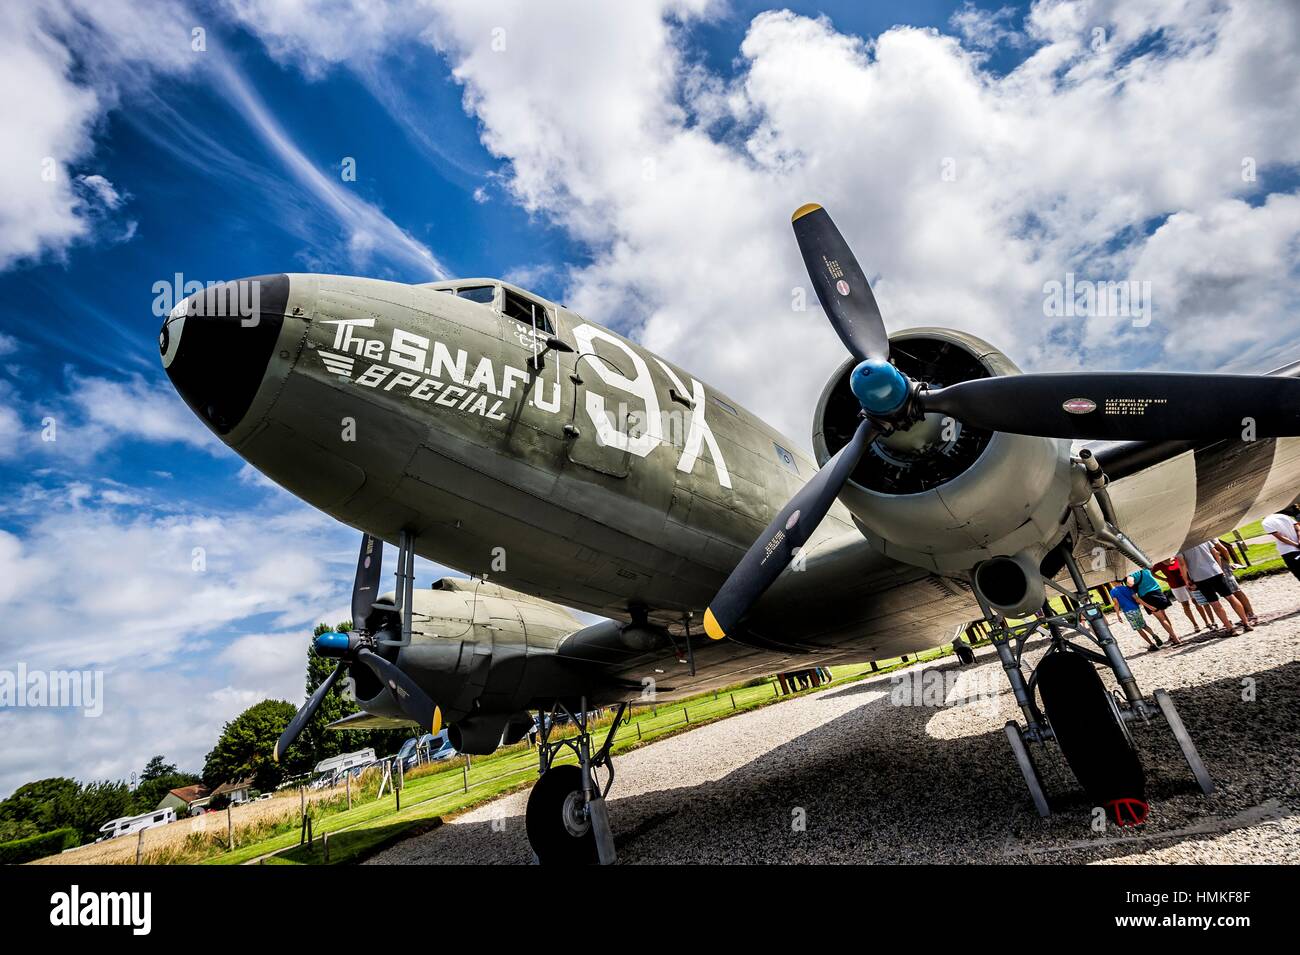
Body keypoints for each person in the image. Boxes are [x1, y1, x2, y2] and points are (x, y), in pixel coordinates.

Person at [1177, 541, 1253, 634]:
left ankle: (1230, 629)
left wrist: (1186, 579)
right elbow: (1216, 553)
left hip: (1199, 577)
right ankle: (1246, 623)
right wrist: (1219, 568)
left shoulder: (1180, 546)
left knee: (1214, 603)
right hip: (1215, 571)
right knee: (1230, 597)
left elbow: (1182, 564)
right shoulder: (1202, 539)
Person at [1153, 555, 1212, 631]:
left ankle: (1207, 622)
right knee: (1185, 605)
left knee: (1197, 602)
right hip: (1176, 587)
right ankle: (1195, 625)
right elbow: (1152, 573)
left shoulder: (1177, 558)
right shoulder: (1160, 564)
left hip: (1187, 583)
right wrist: (1164, 579)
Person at [1209, 538, 1259, 626]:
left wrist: (1227, 562)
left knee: (1235, 590)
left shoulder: (1209, 538)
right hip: (1216, 566)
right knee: (1231, 592)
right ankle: (1245, 615)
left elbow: (1224, 549)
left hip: (1221, 565)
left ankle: (1250, 614)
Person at [1127, 568, 1183, 646]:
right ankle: (1171, 635)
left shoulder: (1132, 574)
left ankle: (1175, 638)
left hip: (1148, 597)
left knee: (1161, 619)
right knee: (1164, 616)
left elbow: (1130, 583)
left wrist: (1128, 580)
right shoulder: (1144, 569)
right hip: (1158, 592)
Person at [1108, 578, 1162, 650]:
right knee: (1144, 625)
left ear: (1114, 582)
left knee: (1139, 629)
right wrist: (1149, 606)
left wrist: (1118, 615)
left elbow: (1116, 604)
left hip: (1128, 611)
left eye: (1111, 581)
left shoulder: (1113, 591)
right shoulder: (1128, 588)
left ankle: (1152, 645)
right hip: (1136, 609)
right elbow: (1137, 599)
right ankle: (1154, 635)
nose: (1111, 583)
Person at [1262, 505, 1300, 582]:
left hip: (1287, 551)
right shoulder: (1284, 516)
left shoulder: (1265, 522)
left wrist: (1296, 545)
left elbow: (1280, 537)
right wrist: (1299, 541)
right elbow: (1298, 529)